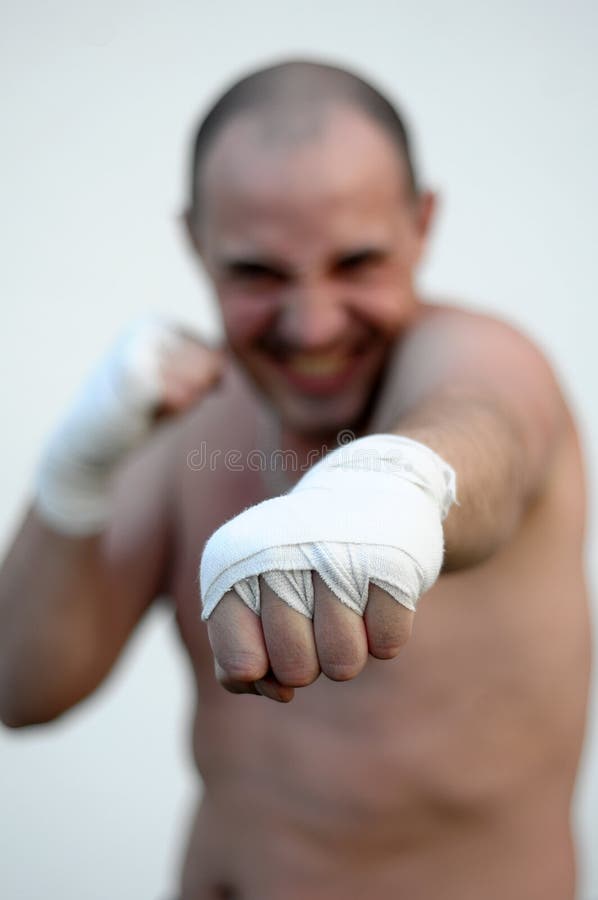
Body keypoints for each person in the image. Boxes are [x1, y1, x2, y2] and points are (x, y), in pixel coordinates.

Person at [0, 59, 591, 900]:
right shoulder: (190, 418)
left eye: (358, 263)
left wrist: (397, 485)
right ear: (195, 243)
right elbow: (22, 689)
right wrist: (76, 471)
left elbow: (485, 429)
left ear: (422, 224)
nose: (312, 326)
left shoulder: (478, 358)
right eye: (258, 273)